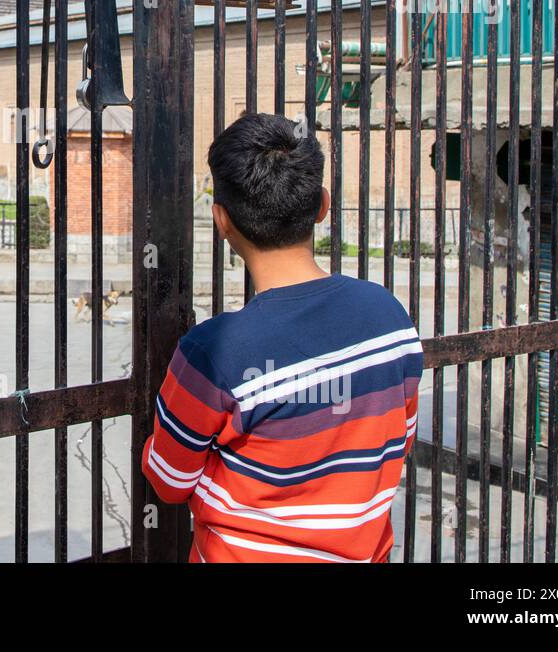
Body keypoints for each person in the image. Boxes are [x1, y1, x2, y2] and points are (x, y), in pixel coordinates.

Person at [142, 112, 422, 562]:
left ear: (221, 221)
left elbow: (169, 482)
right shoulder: (388, 313)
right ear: (323, 205)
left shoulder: (213, 351)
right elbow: (398, 438)